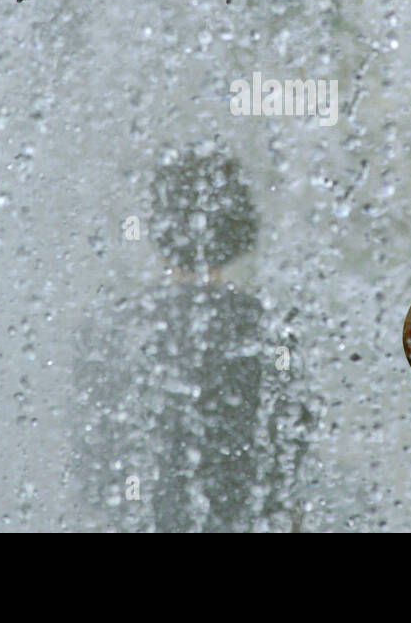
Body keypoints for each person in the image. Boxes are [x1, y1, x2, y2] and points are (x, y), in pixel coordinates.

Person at [69, 145, 313, 532]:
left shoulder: (112, 332)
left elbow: (94, 476)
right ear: (242, 230)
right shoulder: (271, 332)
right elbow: (289, 476)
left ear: (157, 229)